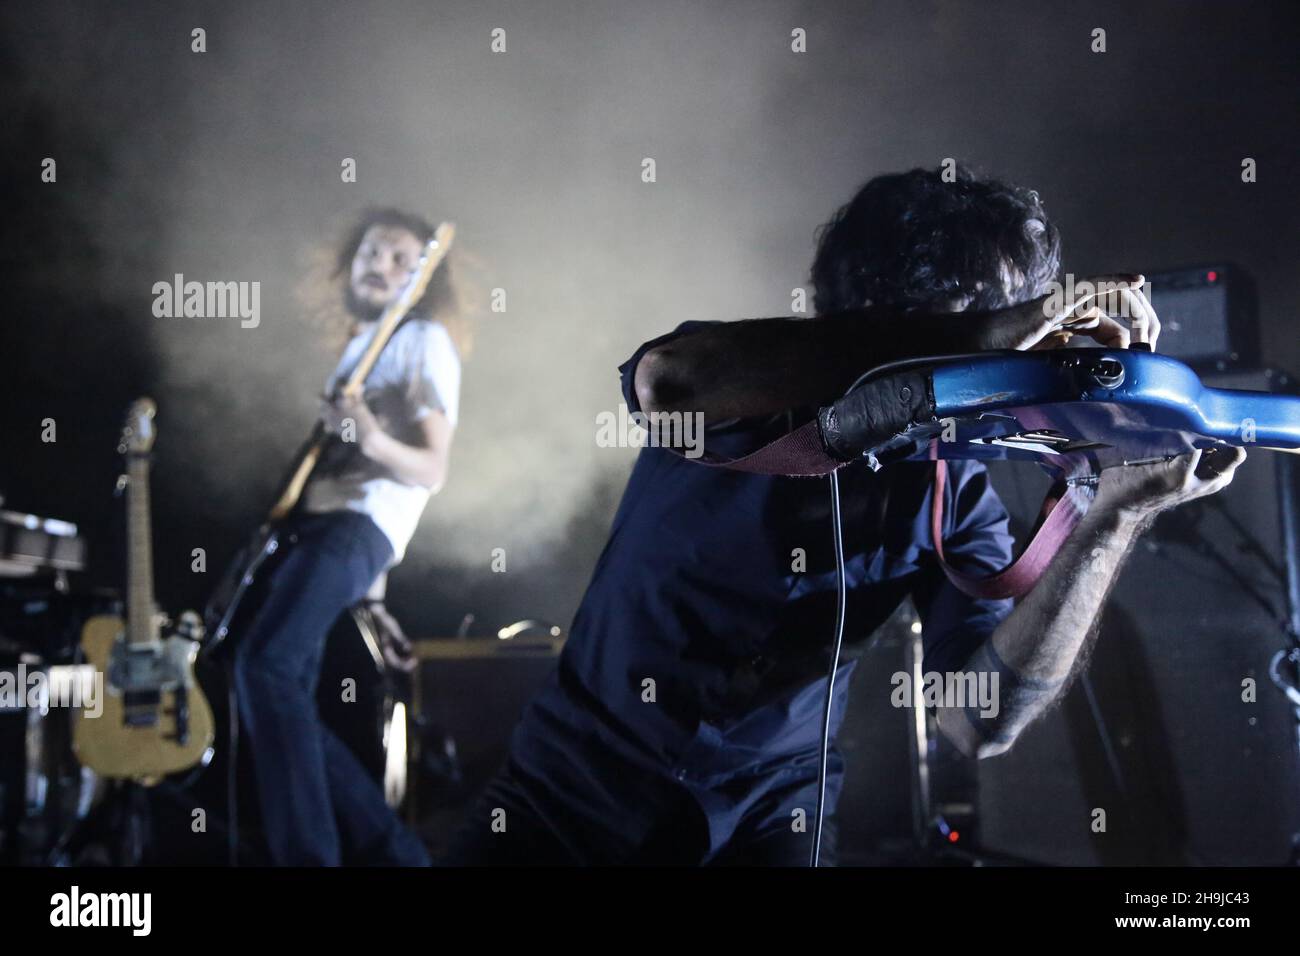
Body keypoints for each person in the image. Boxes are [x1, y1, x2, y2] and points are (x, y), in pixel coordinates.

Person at [442, 165, 1243, 866]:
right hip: (577, 785)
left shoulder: (951, 486)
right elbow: (668, 383)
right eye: (994, 310)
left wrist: (1113, 517)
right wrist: (976, 339)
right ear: (885, 303)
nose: (1020, 339)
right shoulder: (751, 379)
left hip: (774, 810)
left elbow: (980, 721)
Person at [234, 207, 463, 866]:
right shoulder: (362, 344)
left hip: (355, 528)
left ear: (421, 280)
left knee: (264, 665)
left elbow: (431, 469)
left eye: (400, 259)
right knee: (281, 694)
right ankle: (399, 858)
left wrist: (367, 433)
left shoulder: (423, 340)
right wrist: (373, 604)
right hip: (329, 531)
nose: (380, 266)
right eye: (372, 252)